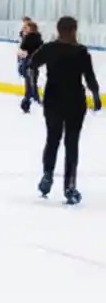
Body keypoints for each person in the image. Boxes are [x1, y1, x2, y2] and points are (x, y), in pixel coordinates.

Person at [27, 16, 100, 204]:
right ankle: (69, 186)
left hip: (53, 100)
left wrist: (33, 89)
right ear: (74, 30)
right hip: (75, 101)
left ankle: (47, 175)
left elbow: (31, 65)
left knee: (53, 139)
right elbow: (90, 77)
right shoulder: (81, 52)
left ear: (58, 30)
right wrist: (96, 96)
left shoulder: (49, 49)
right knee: (71, 143)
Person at [18, 17, 44, 113]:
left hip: (28, 61)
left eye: (26, 27)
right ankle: (34, 98)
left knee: (29, 82)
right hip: (34, 62)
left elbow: (22, 50)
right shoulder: (37, 37)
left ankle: (28, 101)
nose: (24, 28)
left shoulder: (28, 37)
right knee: (32, 81)